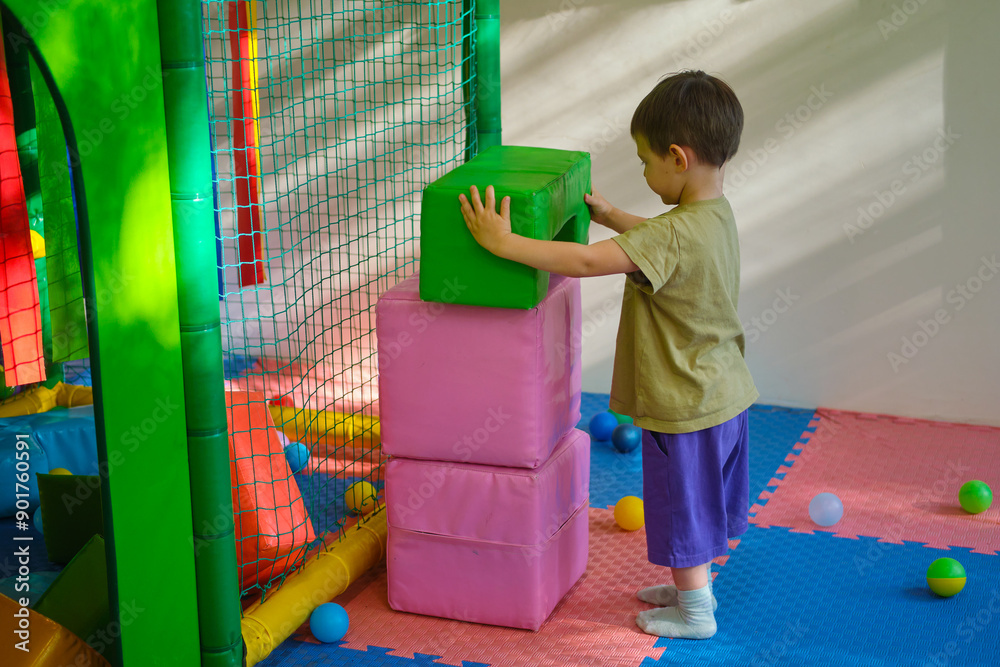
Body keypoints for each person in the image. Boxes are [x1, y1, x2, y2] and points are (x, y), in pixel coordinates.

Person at [458, 70, 758, 640]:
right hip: (724, 394)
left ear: (677, 157)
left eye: (645, 160)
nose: (644, 172)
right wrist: (614, 215)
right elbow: (663, 236)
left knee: (681, 507)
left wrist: (506, 244)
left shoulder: (673, 234)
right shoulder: (714, 215)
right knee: (696, 504)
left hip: (685, 404)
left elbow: (593, 262)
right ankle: (691, 585)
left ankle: (697, 613)